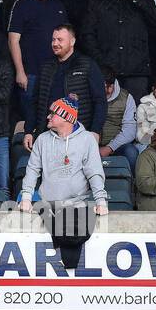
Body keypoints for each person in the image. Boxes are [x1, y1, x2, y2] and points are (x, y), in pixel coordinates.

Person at [18, 95, 108, 268]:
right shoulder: (43, 139)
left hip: (76, 208)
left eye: (53, 113)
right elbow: (32, 170)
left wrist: (101, 200)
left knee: (71, 261)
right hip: (47, 208)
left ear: (66, 118)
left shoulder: (87, 139)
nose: (48, 117)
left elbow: (95, 173)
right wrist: (27, 197)